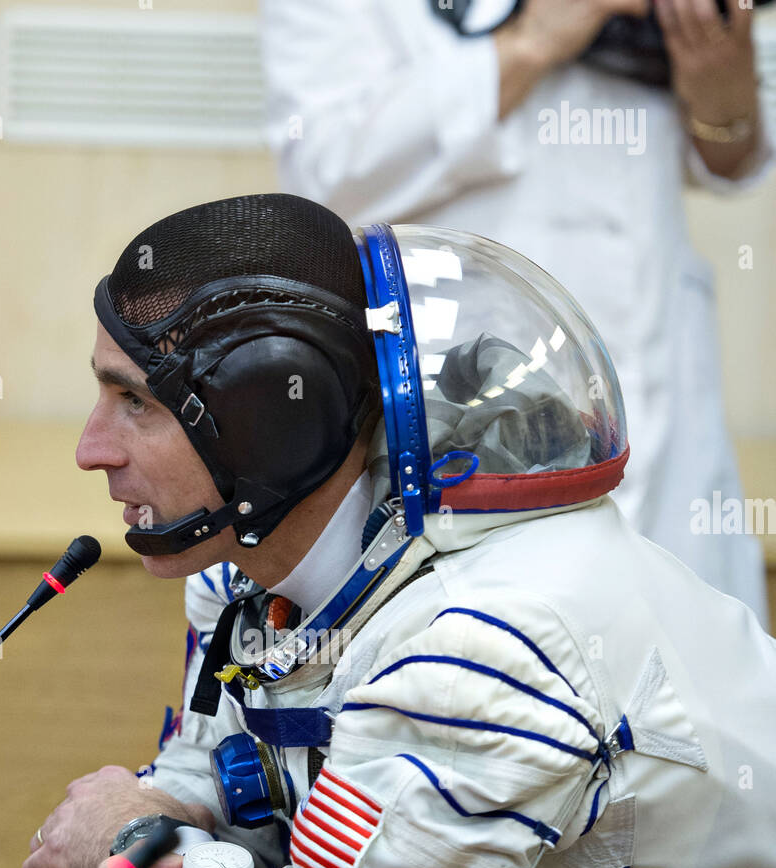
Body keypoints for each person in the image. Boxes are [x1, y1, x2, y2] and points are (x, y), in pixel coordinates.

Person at [21, 193, 776, 868]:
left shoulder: (491, 641)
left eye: (132, 402)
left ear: (267, 415)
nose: (92, 450)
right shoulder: (268, 583)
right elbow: (177, 811)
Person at [260, 0, 773, 621]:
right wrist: (531, 41)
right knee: (483, 668)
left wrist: (722, 90)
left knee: (690, 667)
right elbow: (327, 170)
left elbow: (732, 161)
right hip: (462, 395)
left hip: (658, 365)